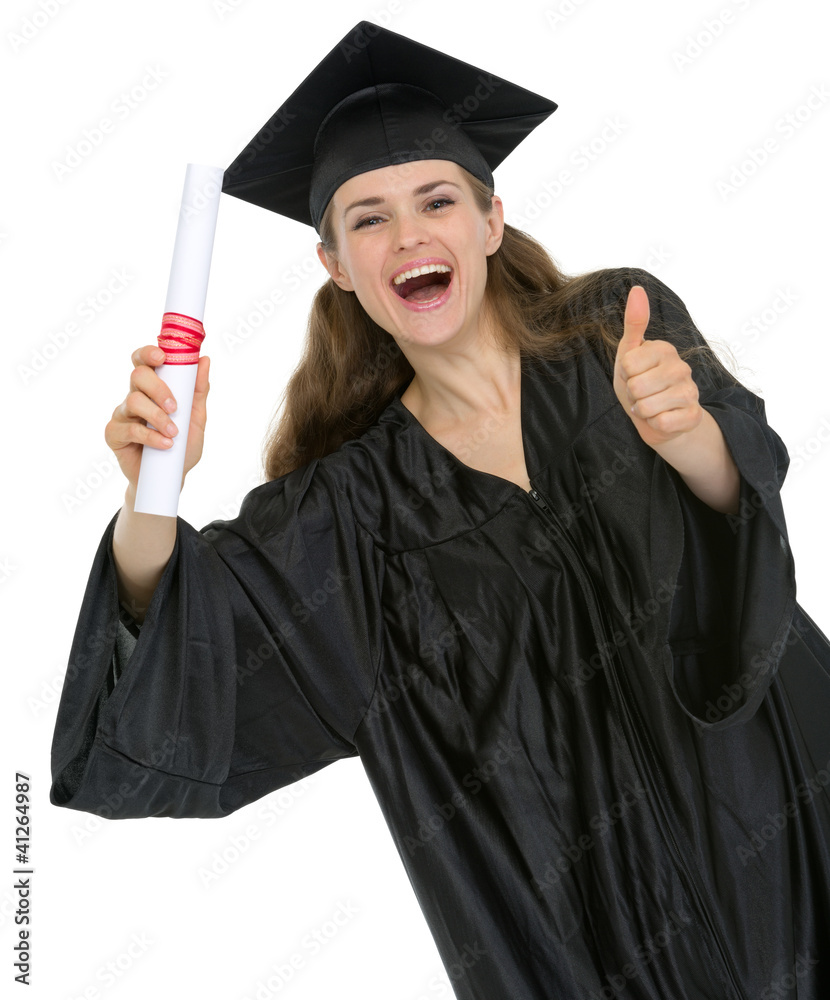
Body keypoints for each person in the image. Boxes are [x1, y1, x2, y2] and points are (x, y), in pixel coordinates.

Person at [50, 20, 830, 1000]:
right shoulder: (349, 515)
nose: (409, 233)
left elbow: (746, 542)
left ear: (489, 220)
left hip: (789, 823)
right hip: (595, 947)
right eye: (367, 217)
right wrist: (148, 499)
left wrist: (694, 447)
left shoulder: (614, 331)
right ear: (336, 265)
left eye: (435, 199)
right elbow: (178, 689)